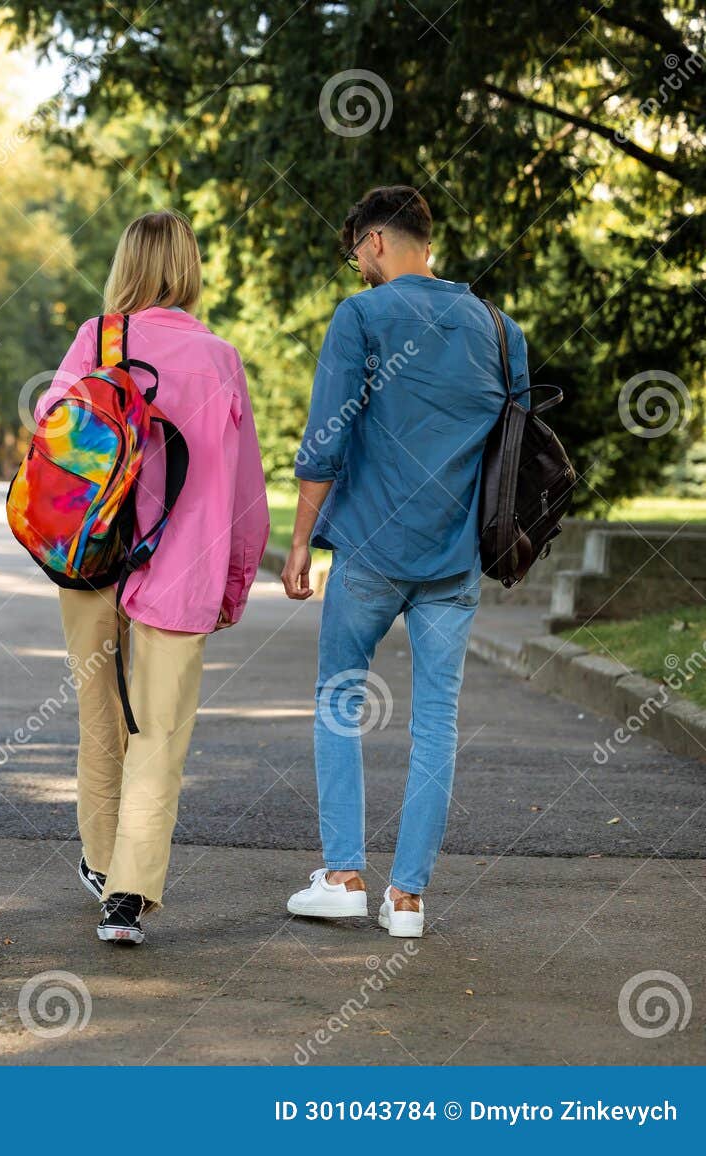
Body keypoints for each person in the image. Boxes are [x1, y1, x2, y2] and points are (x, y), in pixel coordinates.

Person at [282, 186, 528, 939]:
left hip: (370, 549)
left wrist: (300, 540)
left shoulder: (361, 316)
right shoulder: (497, 326)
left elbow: (326, 437)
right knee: (436, 723)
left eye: (355, 248)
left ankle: (344, 875)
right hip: (454, 558)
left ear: (377, 242)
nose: (356, 263)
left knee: (339, 698)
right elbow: (511, 449)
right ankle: (409, 899)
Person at [39, 210, 269, 946]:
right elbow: (245, 490)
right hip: (184, 568)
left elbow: (52, 432)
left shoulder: (98, 338)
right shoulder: (221, 358)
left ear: (126, 265)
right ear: (189, 268)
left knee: (100, 721)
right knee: (159, 734)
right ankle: (126, 897)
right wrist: (235, 582)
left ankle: (104, 863)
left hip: (93, 560)